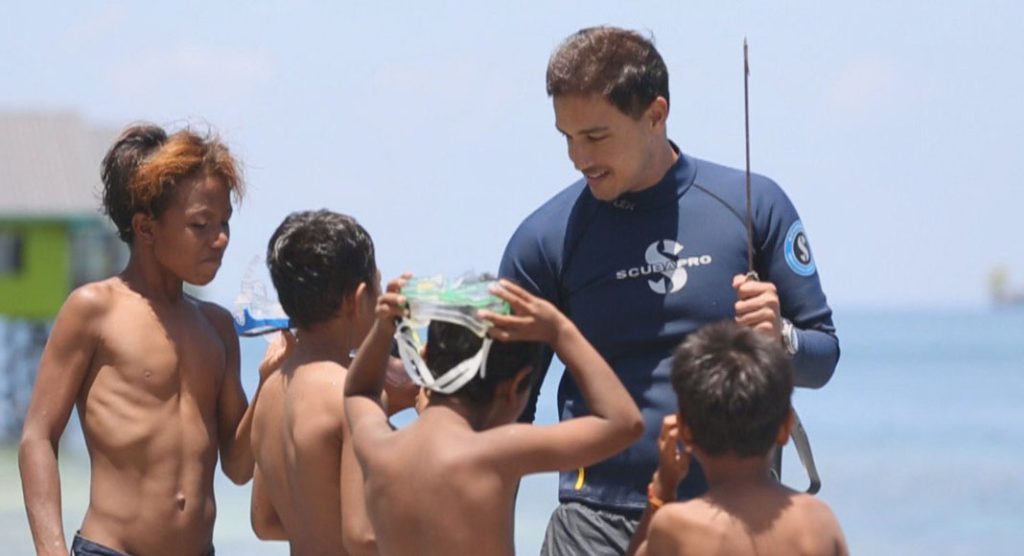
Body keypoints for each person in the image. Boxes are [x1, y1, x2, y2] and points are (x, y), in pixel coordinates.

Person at [498, 26, 840, 555]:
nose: (577, 157)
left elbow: (823, 358)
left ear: (656, 115)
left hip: (735, 518)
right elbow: (508, 414)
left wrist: (782, 339)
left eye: (595, 136)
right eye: (566, 136)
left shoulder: (754, 204)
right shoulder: (545, 238)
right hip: (595, 522)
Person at [18, 125, 265, 556]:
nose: (221, 239)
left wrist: (274, 378)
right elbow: (38, 438)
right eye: (201, 224)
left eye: (225, 222)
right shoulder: (95, 309)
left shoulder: (217, 327)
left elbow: (240, 467)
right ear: (146, 229)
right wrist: (51, 551)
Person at [343, 277, 644, 556]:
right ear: (515, 387)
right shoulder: (496, 454)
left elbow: (359, 392)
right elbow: (624, 423)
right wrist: (559, 331)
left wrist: (384, 328)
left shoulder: (380, 447)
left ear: (425, 360)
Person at [249, 209, 413, 555]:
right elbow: (365, 537)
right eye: (377, 289)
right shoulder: (354, 395)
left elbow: (265, 522)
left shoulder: (269, 393)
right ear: (357, 300)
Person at [627, 321, 848, 555]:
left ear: (684, 431)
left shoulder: (677, 526)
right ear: (786, 427)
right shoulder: (817, 521)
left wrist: (663, 491)